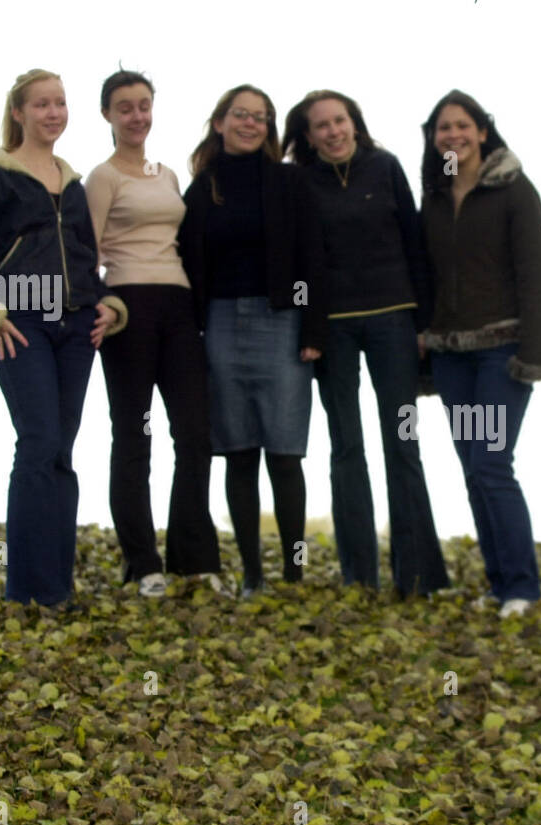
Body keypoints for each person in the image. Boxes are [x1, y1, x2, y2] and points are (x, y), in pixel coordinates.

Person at [0, 68, 128, 610]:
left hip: (76, 327)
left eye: (60, 103)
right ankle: (27, 589)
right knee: (38, 442)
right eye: (42, 105)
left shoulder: (70, 185)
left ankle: (58, 585)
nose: (54, 113)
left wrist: (109, 305)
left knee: (62, 451)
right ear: (19, 112)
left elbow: (82, 254)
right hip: (21, 325)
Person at [283, 89, 448, 597]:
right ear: (307, 136)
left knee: (402, 444)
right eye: (322, 126)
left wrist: (424, 324)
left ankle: (418, 575)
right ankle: (360, 577)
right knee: (346, 448)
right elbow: (297, 263)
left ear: (355, 123)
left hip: (394, 322)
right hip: (333, 328)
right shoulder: (300, 183)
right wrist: (308, 324)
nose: (333, 131)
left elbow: (415, 244)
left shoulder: (386, 167)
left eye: (341, 121)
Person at [178, 85, 326, 597]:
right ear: (220, 122)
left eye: (261, 117)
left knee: (285, 455)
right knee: (238, 452)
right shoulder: (203, 188)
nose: (251, 124)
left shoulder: (290, 182)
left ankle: (293, 573)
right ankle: (252, 575)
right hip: (220, 324)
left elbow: (313, 255)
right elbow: (186, 259)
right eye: (241, 115)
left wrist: (313, 328)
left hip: (282, 321)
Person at [85, 70, 224, 598]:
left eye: (144, 105)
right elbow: (86, 253)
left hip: (178, 306)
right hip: (129, 309)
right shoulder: (102, 178)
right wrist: (105, 306)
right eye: (125, 108)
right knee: (134, 435)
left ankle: (194, 557)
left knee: (194, 433)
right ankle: (142, 563)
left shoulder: (166, 175)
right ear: (108, 116)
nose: (137, 116)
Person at [418, 90, 541, 618]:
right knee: (473, 468)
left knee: (493, 464)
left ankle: (523, 586)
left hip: (502, 353)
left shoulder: (515, 191)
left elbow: (535, 279)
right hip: (451, 356)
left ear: (481, 132)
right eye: (442, 129)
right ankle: (500, 586)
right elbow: (425, 274)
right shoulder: (433, 195)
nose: (452, 136)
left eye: (462, 126)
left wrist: (532, 354)